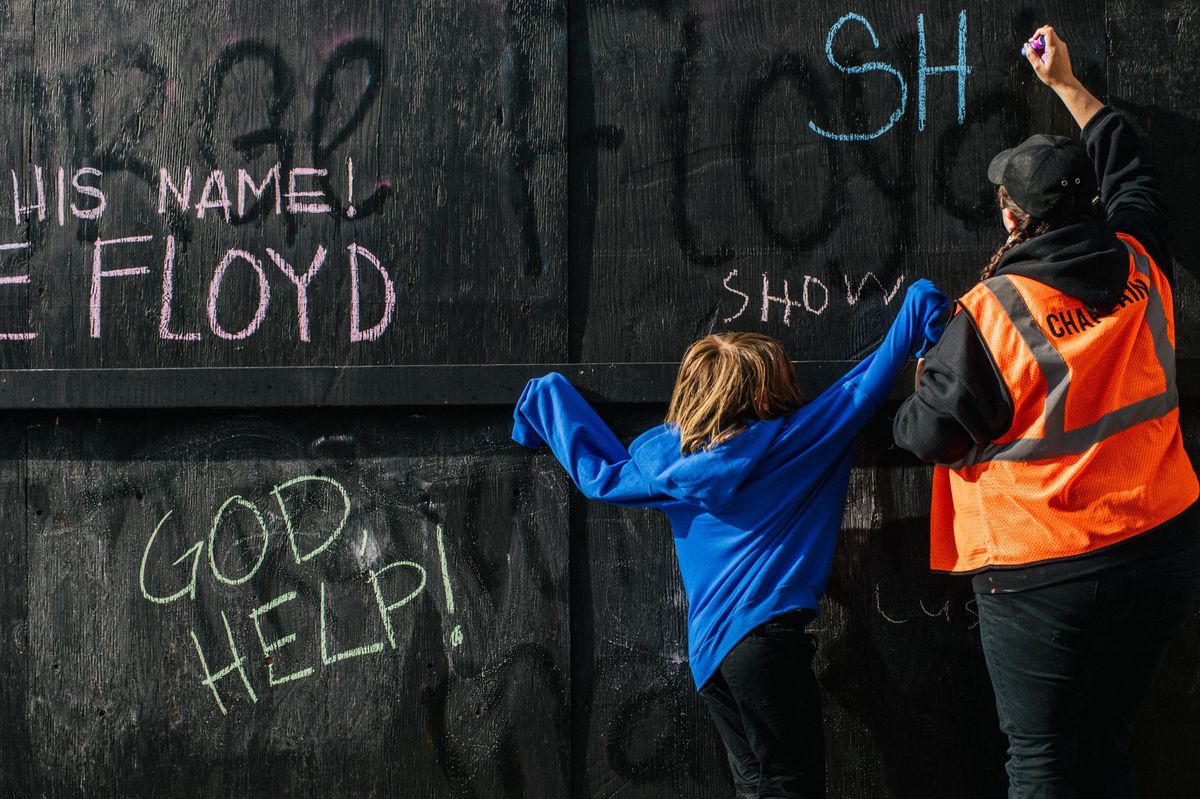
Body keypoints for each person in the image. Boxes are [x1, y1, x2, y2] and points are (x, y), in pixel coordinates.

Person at [893, 25, 1200, 799]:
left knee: (1042, 763)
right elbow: (1131, 166)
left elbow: (926, 432)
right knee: (1106, 747)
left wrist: (919, 369)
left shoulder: (993, 313)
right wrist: (1069, 84)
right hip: (1160, 549)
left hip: (1043, 573)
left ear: (1009, 219)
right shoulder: (1140, 258)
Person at [512, 280, 947, 798]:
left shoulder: (663, 468)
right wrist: (933, 327)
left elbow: (600, 474)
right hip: (767, 645)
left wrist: (544, 402)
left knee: (758, 788)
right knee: (791, 787)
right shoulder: (800, 442)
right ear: (771, 387)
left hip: (711, 658)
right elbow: (874, 369)